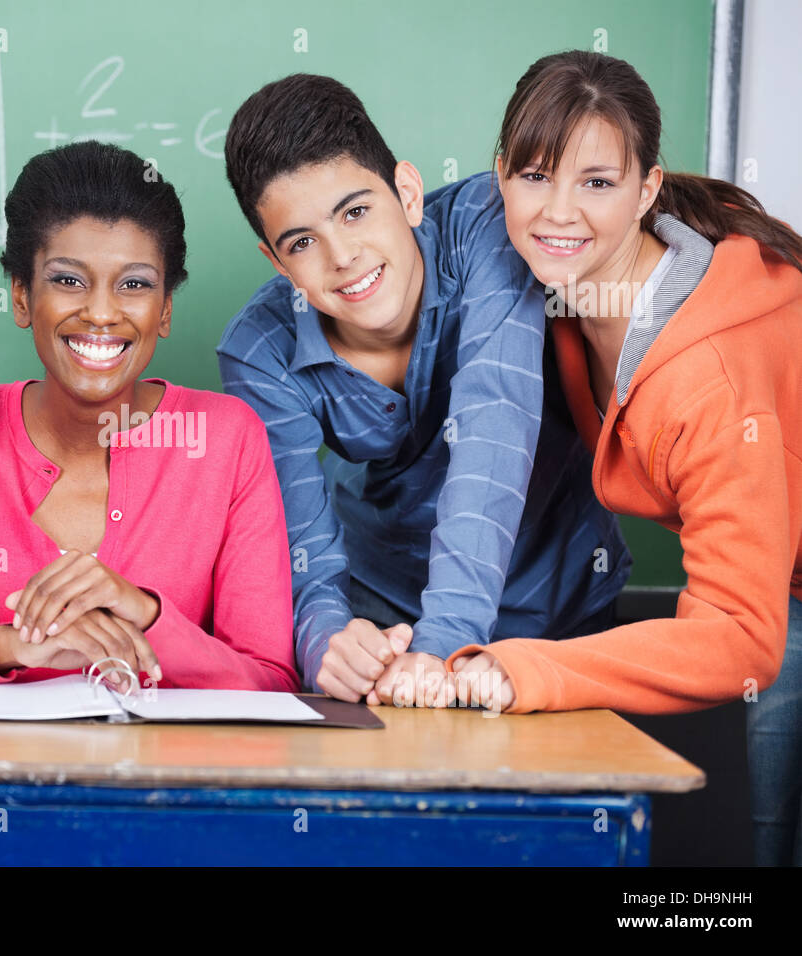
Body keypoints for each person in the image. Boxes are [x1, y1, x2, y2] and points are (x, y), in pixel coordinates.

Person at [450, 50, 802, 865]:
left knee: (758, 844)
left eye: (598, 184)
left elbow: (741, 636)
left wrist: (526, 673)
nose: (558, 213)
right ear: (499, 177)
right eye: (534, 177)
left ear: (647, 191)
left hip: (776, 602)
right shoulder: (557, 294)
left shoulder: (711, 378)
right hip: (773, 574)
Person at [217, 74, 628, 704]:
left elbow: (495, 424)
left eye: (355, 212)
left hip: (559, 607)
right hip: (392, 624)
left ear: (407, 193)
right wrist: (326, 640)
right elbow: (299, 544)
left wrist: (447, 640)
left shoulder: (486, 225)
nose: (343, 256)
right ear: (276, 262)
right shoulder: (258, 349)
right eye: (302, 242)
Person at [0, 141, 298, 692]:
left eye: (135, 284)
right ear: (22, 297)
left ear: (165, 310)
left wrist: (143, 612)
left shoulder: (226, 438)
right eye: (68, 280)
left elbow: (271, 683)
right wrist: (8, 647)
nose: (101, 312)